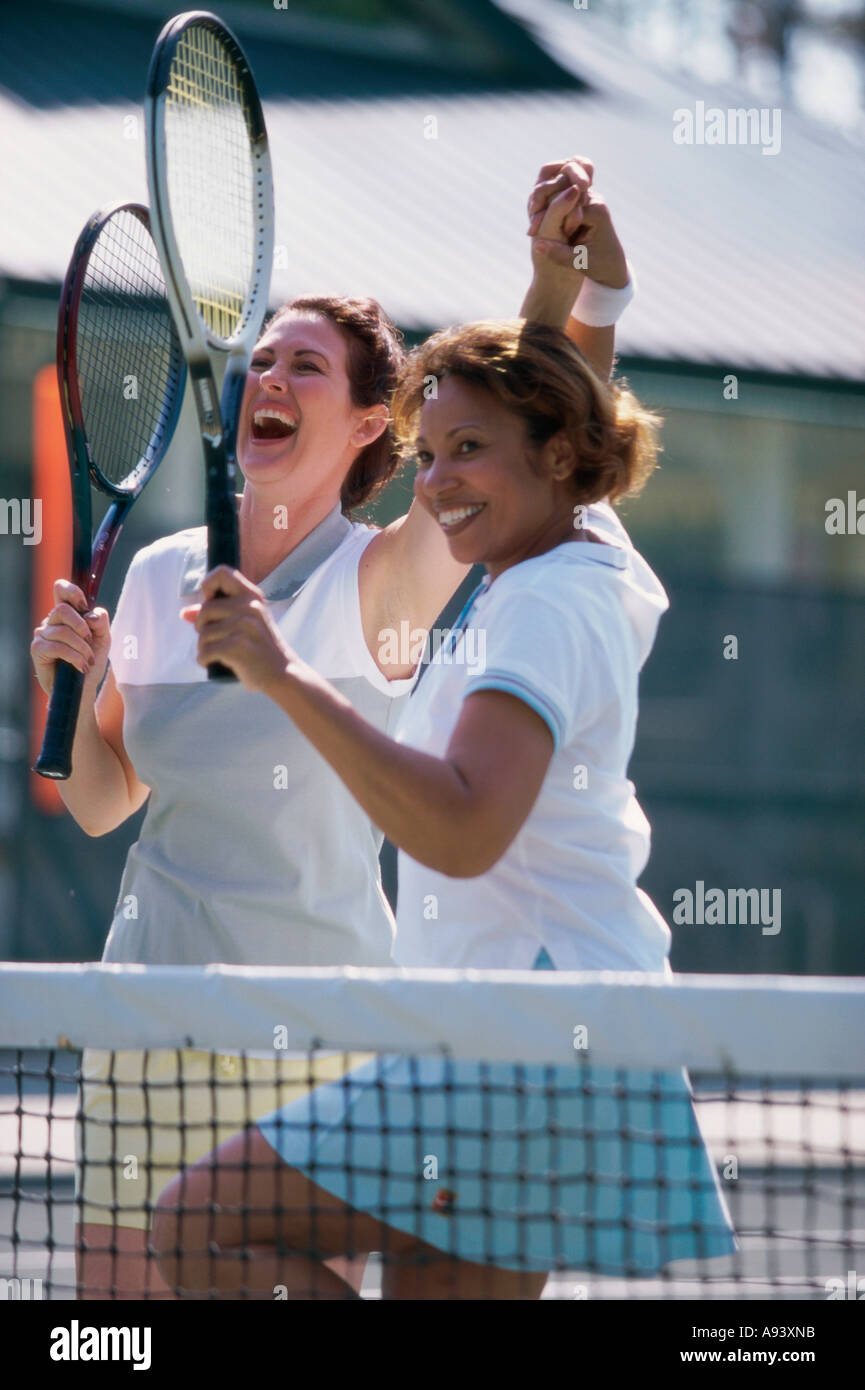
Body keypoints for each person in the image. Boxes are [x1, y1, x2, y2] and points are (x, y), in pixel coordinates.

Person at [29, 158, 629, 1298]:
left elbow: (504, 412)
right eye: (260, 359)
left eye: (304, 365)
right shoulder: (157, 576)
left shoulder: (385, 577)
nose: (269, 373)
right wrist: (72, 679)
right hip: (140, 1023)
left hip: (312, 1037)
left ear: (368, 424)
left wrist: (553, 283)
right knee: (112, 1331)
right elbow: (108, 808)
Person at [151, 317, 737, 1300]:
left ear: (559, 456)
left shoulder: (544, 602)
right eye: (427, 454)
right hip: (546, 1049)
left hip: (517, 1051)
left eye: (465, 451)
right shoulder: (575, 550)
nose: (434, 481)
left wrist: (281, 673)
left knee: (200, 1224)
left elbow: (465, 827)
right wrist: (586, 285)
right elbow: (560, 394)